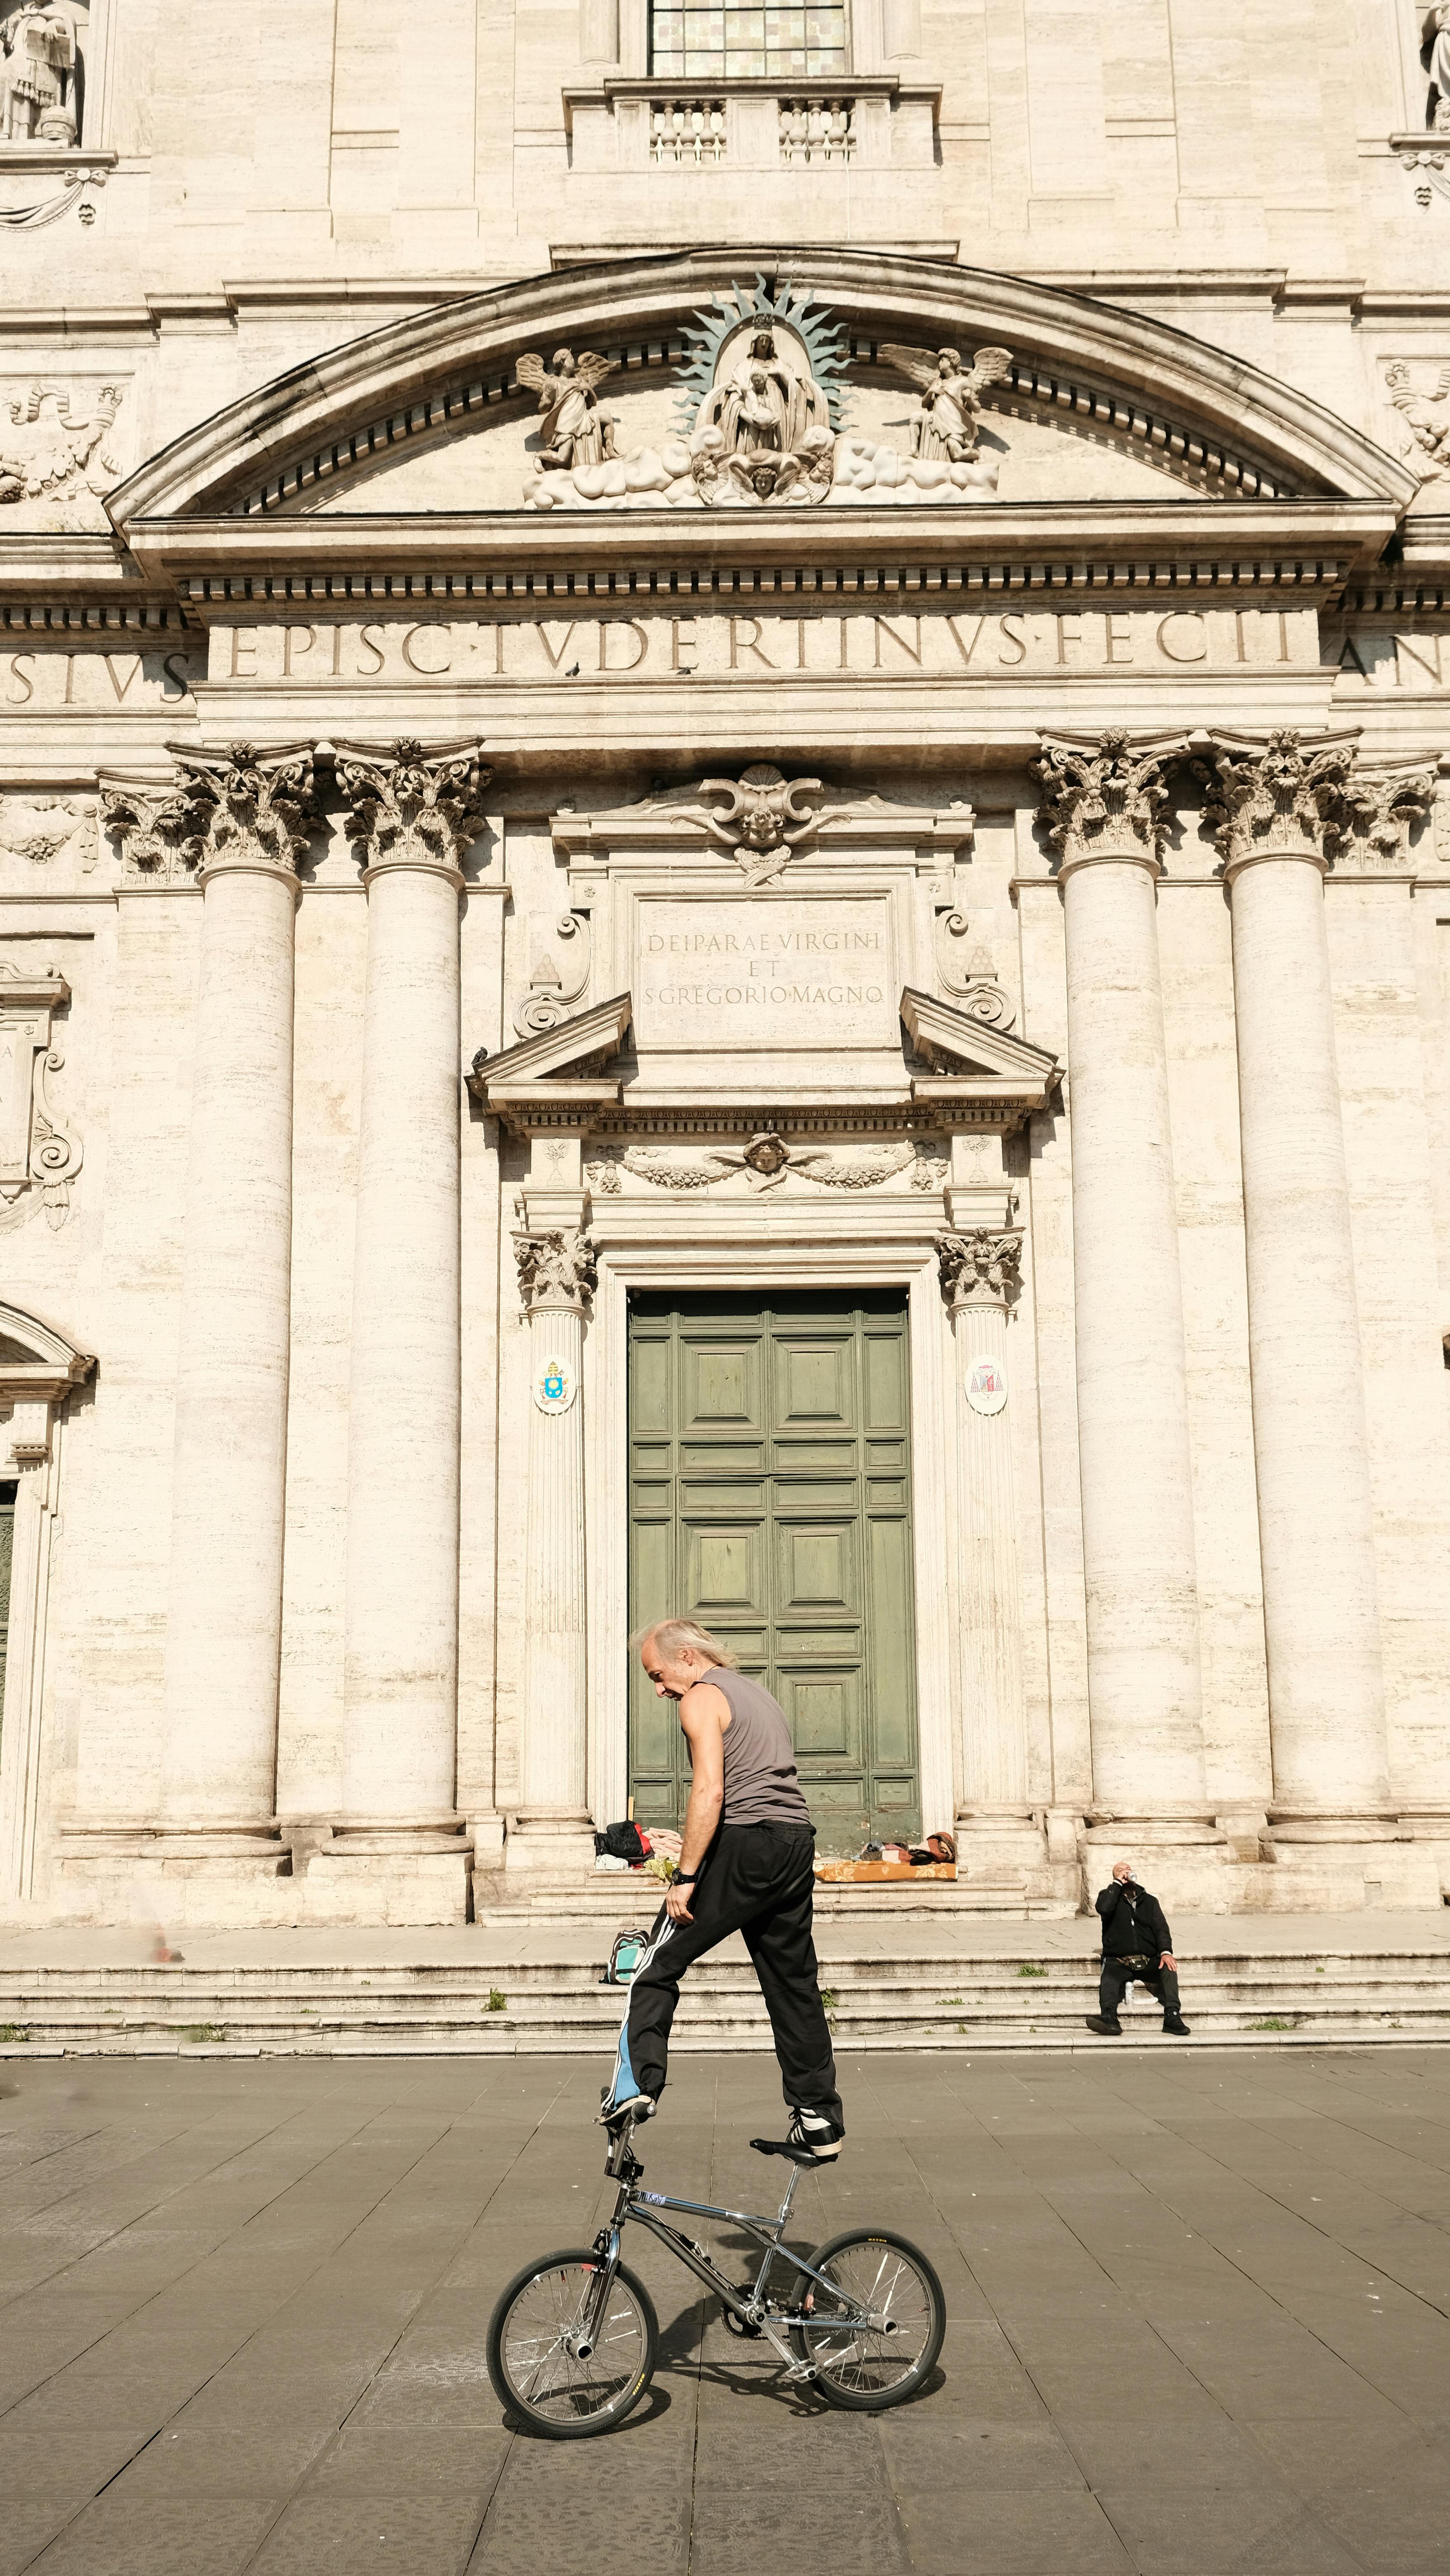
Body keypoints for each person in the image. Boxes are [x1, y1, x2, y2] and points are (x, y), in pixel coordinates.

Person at [598, 1617, 845, 2163]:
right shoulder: (758, 1695)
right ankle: (820, 2119)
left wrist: (685, 1877)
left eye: (658, 1674)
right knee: (793, 1982)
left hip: (747, 1842)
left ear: (686, 1657)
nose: (659, 1689)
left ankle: (632, 2090)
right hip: (795, 1842)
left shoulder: (701, 1698)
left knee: (652, 1964)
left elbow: (710, 1791)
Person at [1086, 1858, 1191, 2037]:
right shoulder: (1108, 1896)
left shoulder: (1150, 1901)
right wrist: (1118, 1883)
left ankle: (1173, 2018)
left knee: (1169, 1967)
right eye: (1120, 1870)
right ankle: (1109, 2018)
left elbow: (1161, 1929)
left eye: (1128, 1868)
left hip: (1148, 1960)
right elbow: (1103, 1909)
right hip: (1120, 1961)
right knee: (1109, 1977)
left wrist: (1166, 1952)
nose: (1126, 1871)